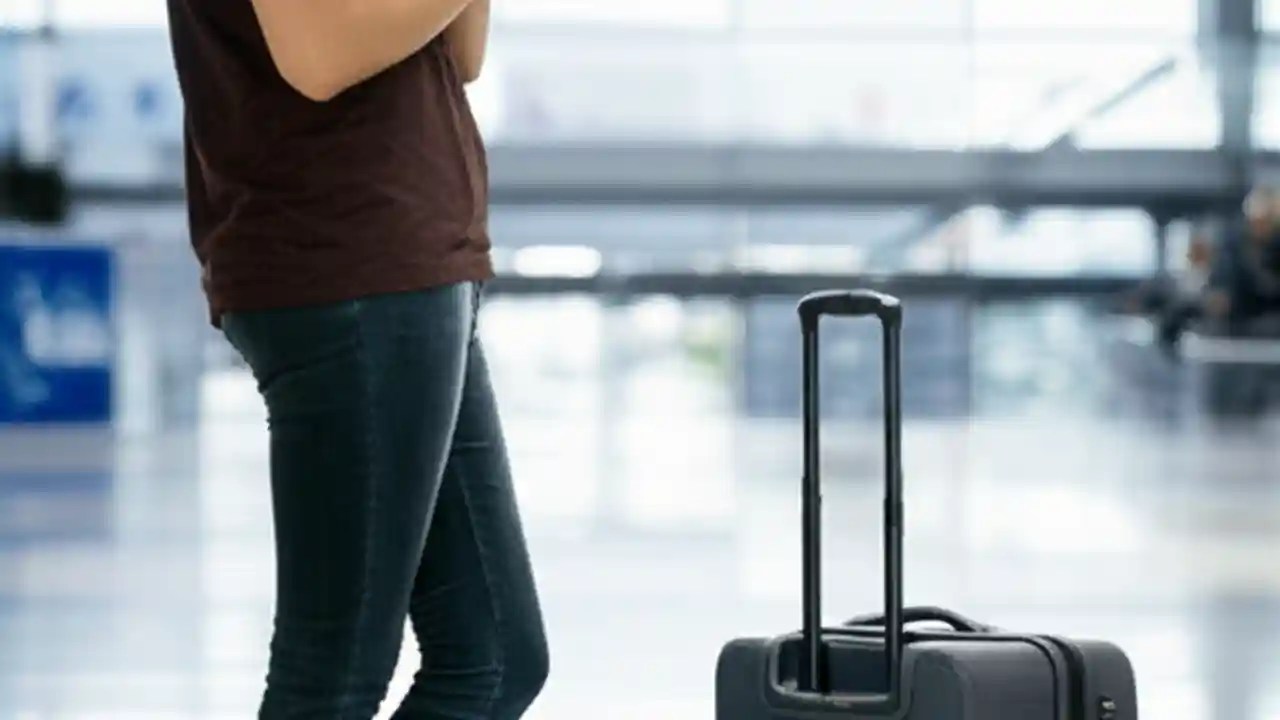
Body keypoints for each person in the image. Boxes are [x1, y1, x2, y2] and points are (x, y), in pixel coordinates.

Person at [165, 1, 549, 717]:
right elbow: (318, 59)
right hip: (347, 263)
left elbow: (461, 54)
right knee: (332, 677)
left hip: (409, 258)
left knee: (494, 656)